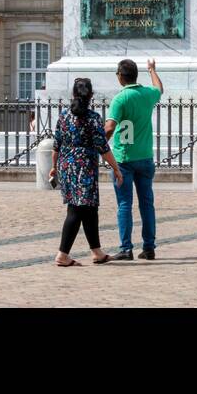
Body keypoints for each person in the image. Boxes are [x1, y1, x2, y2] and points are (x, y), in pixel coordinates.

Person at [53, 77, 122, 266]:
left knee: (90, 209)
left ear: (73, 94)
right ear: (91, 95)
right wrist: (116, 168)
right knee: (76, 210)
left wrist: (54, 167)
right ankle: (62, 254)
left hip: (67, 167)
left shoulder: (64, 116)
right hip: (84, 169)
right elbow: (103, 147)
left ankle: (97, 252)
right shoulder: (93, 118)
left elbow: (56, 145)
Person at [105, 58, 163, 260]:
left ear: (120, 76)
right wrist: (152, 70)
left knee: (124, 204)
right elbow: (159, 88)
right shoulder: (147, 94)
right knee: (147, 203)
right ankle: (149, 247)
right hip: (145, 156)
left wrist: (99, 146)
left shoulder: (120, 99)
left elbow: (110, 127)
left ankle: (126, 248)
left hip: (123, 158)